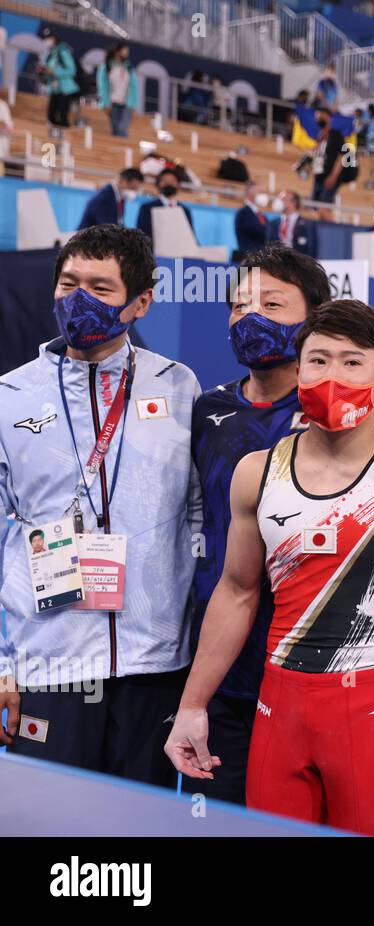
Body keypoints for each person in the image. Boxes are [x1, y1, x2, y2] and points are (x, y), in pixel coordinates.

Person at [165, 300, 374, 836]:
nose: (331, 375)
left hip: (367, 712)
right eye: (318, 360)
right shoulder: (256, 472)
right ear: (299, 368)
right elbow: (237, 591)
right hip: (278, 709)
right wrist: (193, 706)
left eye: (351, 362)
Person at [182, 247, 374, 806]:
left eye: (270, 303)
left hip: (331, 675)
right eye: (238, 305)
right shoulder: (204, 414)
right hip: (225, 672)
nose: (248, 317)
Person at [0, 225, 201, 785]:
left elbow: (197, 518)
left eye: (100, 287)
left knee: (139, 833)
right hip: (50, 662)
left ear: (141, 302)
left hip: (154, 665)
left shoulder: (178, 385)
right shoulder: (9, 396)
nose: (78, 299)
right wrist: (4, 666)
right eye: (68, 283)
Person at [135, 168, 194, 245]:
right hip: (155, 254)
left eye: (172, 181)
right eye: (165, 181)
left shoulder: (185, 210)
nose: (168, 183)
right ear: (158, 184)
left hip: (178, 255)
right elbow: (141, 235)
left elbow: (190, 236)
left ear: (178, 185)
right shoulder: (147, 208)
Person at [37, 27, 78, 132]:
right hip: (54, 89)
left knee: (62, 116)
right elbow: (47, 72)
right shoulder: (49, 55)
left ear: (54, 38)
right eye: (45, 38)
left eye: (49, 38)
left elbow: (71, 70)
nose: (47, 41)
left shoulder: (63, 51)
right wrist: (43, 72)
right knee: (51, 116)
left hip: (65, 89)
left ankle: (67, 140)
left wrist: (55, 71)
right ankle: (57, 139)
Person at [78, 168, 143, 230]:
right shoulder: (103, 198)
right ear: (121, 180)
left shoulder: (119, 198)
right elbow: (107, 228)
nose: (133, 192)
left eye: (135, 190)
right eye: (132, 188)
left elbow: (119, 223)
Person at [96, 42, 138, 138]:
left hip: (126, 104)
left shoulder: (129, 68)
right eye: (124, 51)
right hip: (112, 103)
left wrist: (133, 103)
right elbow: (103, 87)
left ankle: (124, 150)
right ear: (117, 51)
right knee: (115, 130)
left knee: (122, 130)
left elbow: (133, 87)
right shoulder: (106, 67)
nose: (126, 53)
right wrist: (106, 103)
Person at [311, 106, 345, 205]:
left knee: (324, 206)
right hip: (319, 176)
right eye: (317, 117)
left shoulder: (336, 135)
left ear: (329, 118)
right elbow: (317, 155)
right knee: (315, 205)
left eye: (321, 116)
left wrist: (333, 176)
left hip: (330, 176)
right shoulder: (319, 136)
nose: (318, 119)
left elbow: (342, 156)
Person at [233, 181, 272, 261]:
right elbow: (260, 232)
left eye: (264, 192)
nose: (263, 195)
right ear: (249, 194)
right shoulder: (243, 213)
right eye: (260, 192)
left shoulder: (262, 216)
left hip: (260, 259)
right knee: (245, 274)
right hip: (247, 259)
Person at [271, 190, 316, 256]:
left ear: (294, 202)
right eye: (279, 199)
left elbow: (311, 247)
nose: (279, 202)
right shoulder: (273, 223)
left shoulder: (307, 224)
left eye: (283, 199)